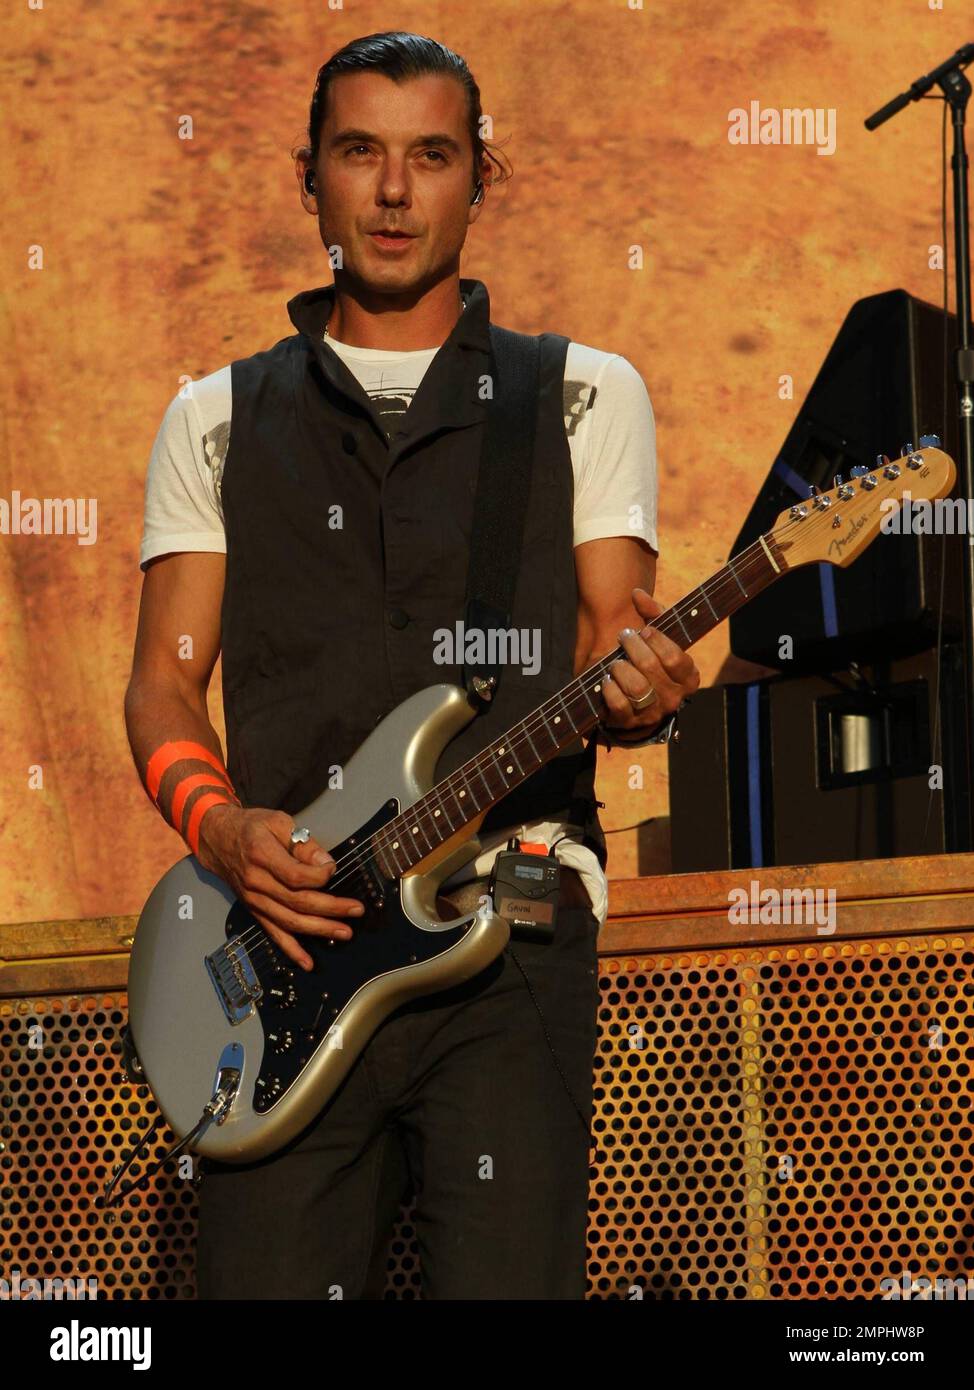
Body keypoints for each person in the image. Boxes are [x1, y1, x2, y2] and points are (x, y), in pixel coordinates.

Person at [124, 30, 700, 1300]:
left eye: (430, 156)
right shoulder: (212, 419)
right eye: (360, 154)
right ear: (306, 178)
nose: (393, 192)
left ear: (478, 177)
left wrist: (646, 694)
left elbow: (616, 631)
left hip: (511, 935)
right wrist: (221, 832)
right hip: (283, 949)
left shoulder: (584, 397)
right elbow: (163, 685)